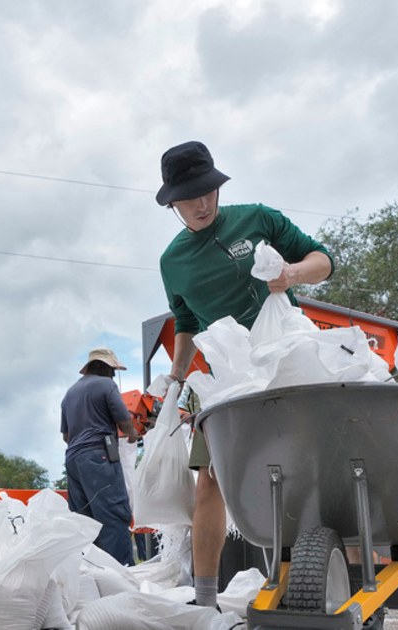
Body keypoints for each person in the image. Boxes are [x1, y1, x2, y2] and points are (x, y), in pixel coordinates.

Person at [156, 140, 333, 608]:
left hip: (287, 361)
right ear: (170, 200)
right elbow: (187, 323)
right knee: (210, 477)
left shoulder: (257, 218)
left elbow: (324, 260)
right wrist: (174, 381)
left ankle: (322, 575)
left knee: (312, 469)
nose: (200, 204)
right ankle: (205, 596)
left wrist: (292, 274)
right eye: (187, 197)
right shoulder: (172, 262)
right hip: (226, 380)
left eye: (206, 192)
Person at [60, 347, 138, 566]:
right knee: (114, 515)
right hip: (100, 457)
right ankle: (121, 575)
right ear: (102, 367)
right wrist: (133, 434)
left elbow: (66, 436)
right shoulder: (106, 385)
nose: (114, 375)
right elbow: (124, 420)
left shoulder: (69, 393)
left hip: (74, 460)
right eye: (112, 370)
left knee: (84, 521)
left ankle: (89, 574)